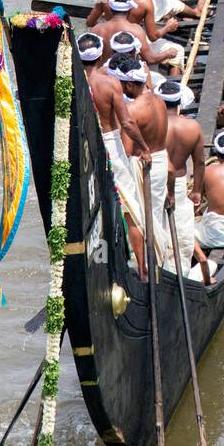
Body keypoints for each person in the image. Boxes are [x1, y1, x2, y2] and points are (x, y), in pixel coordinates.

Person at [77, 34, 150, 273]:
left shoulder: (70, 83)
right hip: (109, 144)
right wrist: (145, 148)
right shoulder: (109, 84)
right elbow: (127, 123)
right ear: (100, 55)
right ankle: (143, 269)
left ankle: (102, 263)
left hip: (83, 148)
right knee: (131, 209)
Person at [111, 54, 170, 270]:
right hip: (161, 160)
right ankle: (159, 263)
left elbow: (127, 151)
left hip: (143, 166)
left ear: (129, 84)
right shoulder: (160, 101)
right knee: (154, 214)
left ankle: (153, 265)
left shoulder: (133, 110)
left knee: (141, 217)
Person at [156, 78, 209, 279]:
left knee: (156, 228)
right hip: (177, 186)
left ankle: (158, 272)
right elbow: (200, 163)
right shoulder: (192, 127)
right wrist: (197, 191)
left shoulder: (154, 125)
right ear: (179, 103)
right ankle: (181, 275)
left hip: (155, 183)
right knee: (181, 234)